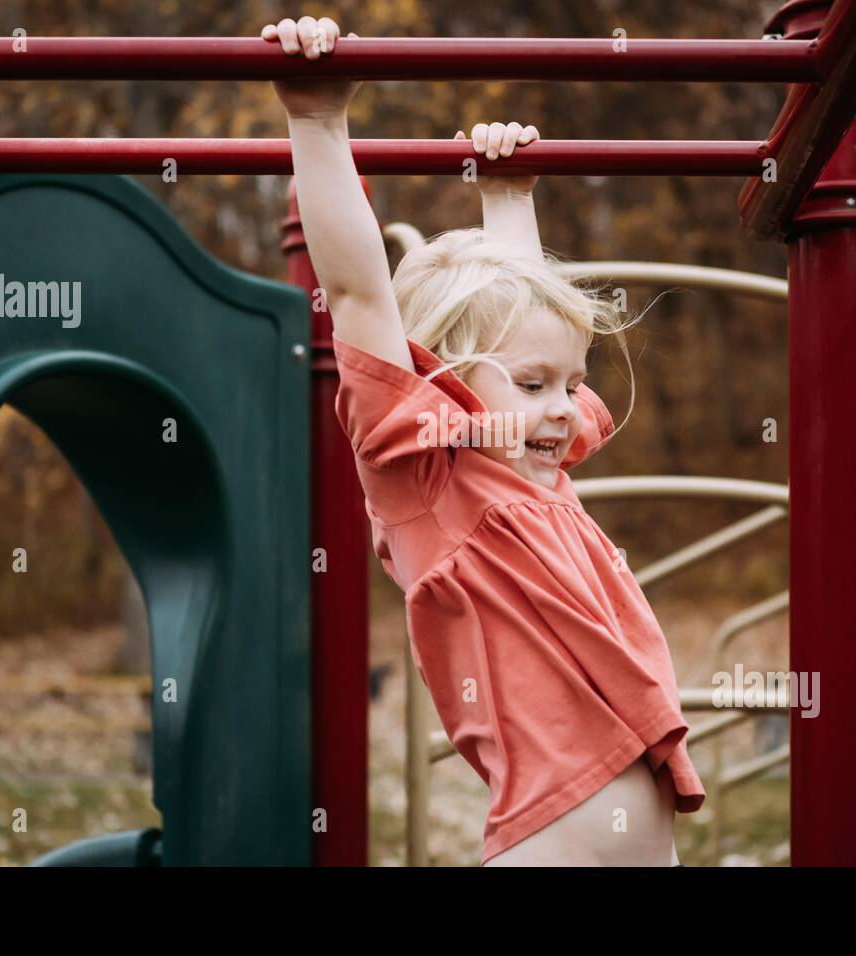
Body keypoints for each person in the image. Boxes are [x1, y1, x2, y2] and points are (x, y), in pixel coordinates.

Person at [263, 15, 705, 866]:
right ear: (444, 381)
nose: (565, 409)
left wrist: (509, 199)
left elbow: (523, 323)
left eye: (572, 383)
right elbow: (357, 293)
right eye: (536, 387)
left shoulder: (536, 474)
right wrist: (318, 125)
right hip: (550, 841)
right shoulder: (429, 473)